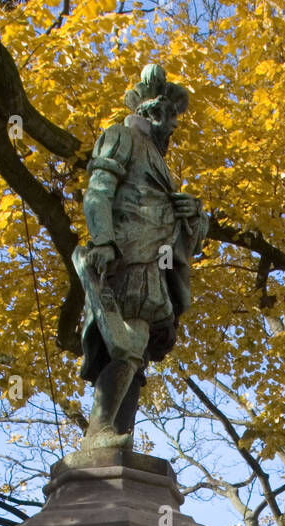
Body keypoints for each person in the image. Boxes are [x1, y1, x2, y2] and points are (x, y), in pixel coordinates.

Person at [75, 63, 209, 450]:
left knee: (136, 353)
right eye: (168, 119)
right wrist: (102, 241)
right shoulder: (120, 136)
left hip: (157, 262)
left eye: (175, 120)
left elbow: (184, 230)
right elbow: (98, 191)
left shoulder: (162, 166)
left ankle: (116, 436)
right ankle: (98, 432)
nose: (173, 128)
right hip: (126, 256)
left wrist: (192, 213)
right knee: (128, 341)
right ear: (152, 114)